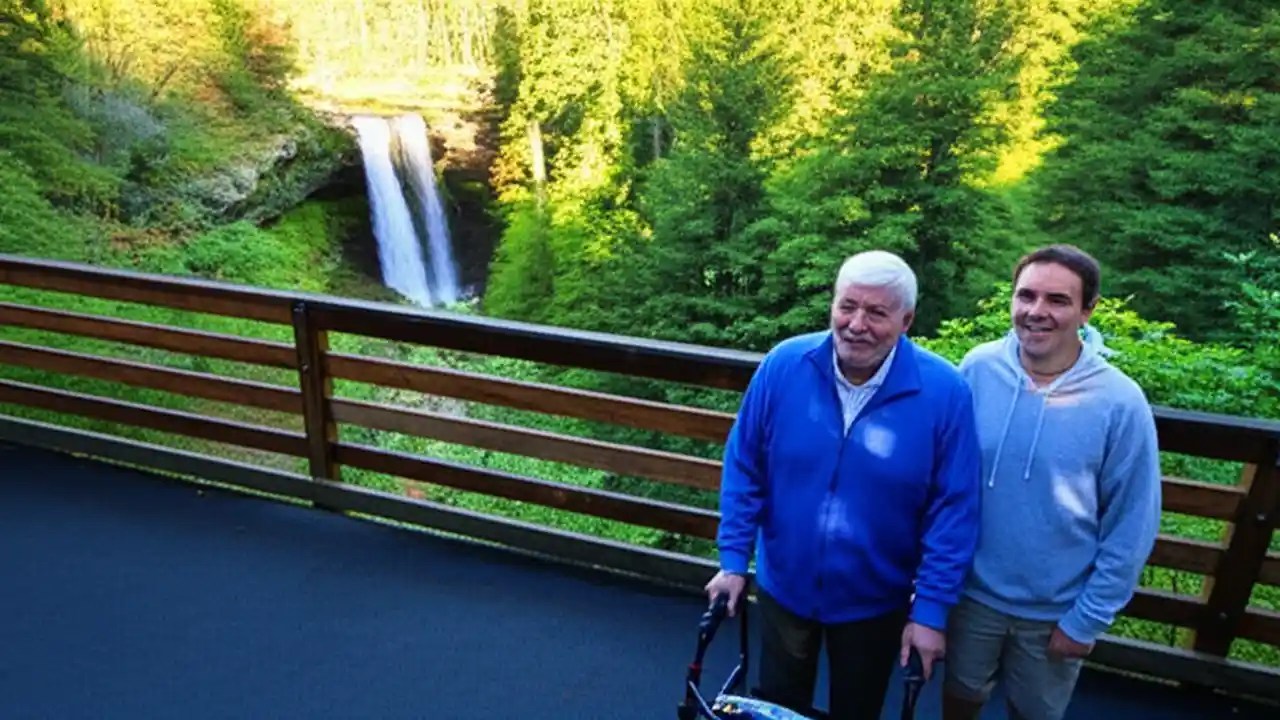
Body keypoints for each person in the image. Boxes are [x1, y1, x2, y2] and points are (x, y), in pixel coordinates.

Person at [705, 250, 983, 720]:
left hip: (875, 602)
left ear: (907, 319)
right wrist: (733, 560)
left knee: (858, 710)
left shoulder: (944, 392)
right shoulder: (783, 365)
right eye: (847, 306)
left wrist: (930, 612)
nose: (857, 324)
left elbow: (954, 511)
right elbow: (744, 465)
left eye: (877, 312)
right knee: (775, 708)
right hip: (784, 589)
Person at [942, 244, 1162, 720]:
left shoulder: (1119, 401)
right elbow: (942, 479)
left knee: (1033, 714)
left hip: (1054, 610)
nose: (1037, 312)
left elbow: (1132, 522)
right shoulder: (977, 368)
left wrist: (1088, 619)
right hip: (970, 596)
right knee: (959, 700)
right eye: (1026, 296)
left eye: (1058, 300)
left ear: (1087, 310)